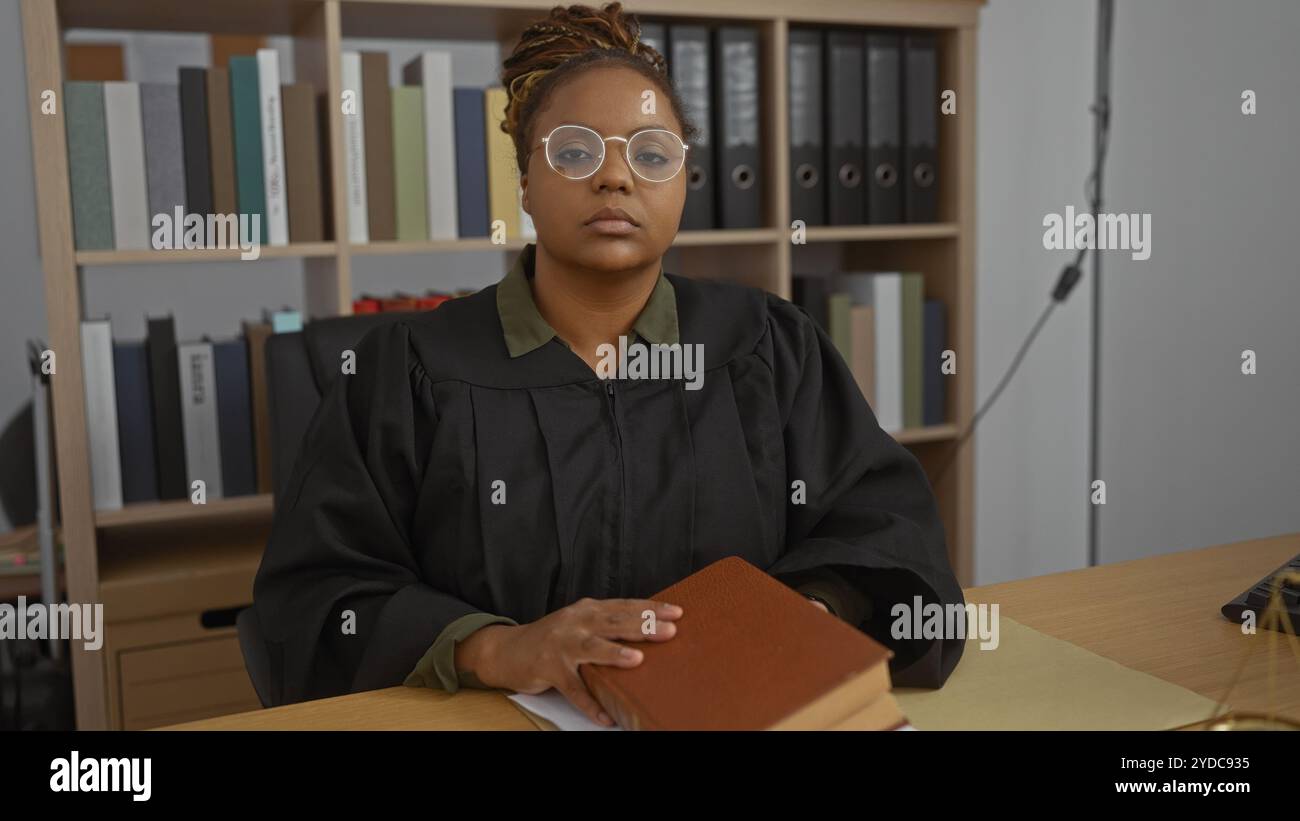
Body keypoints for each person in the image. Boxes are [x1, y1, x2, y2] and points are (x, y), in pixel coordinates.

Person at [251, 1, 965, 727]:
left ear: (686, 181)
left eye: (651, 154)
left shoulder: (768, 348)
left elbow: (885, 537)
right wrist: (500, 648)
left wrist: (803, 615)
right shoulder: (409, 371)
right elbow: (316, 600)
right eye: (574, 152)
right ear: (525, 180)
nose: (615, 178)